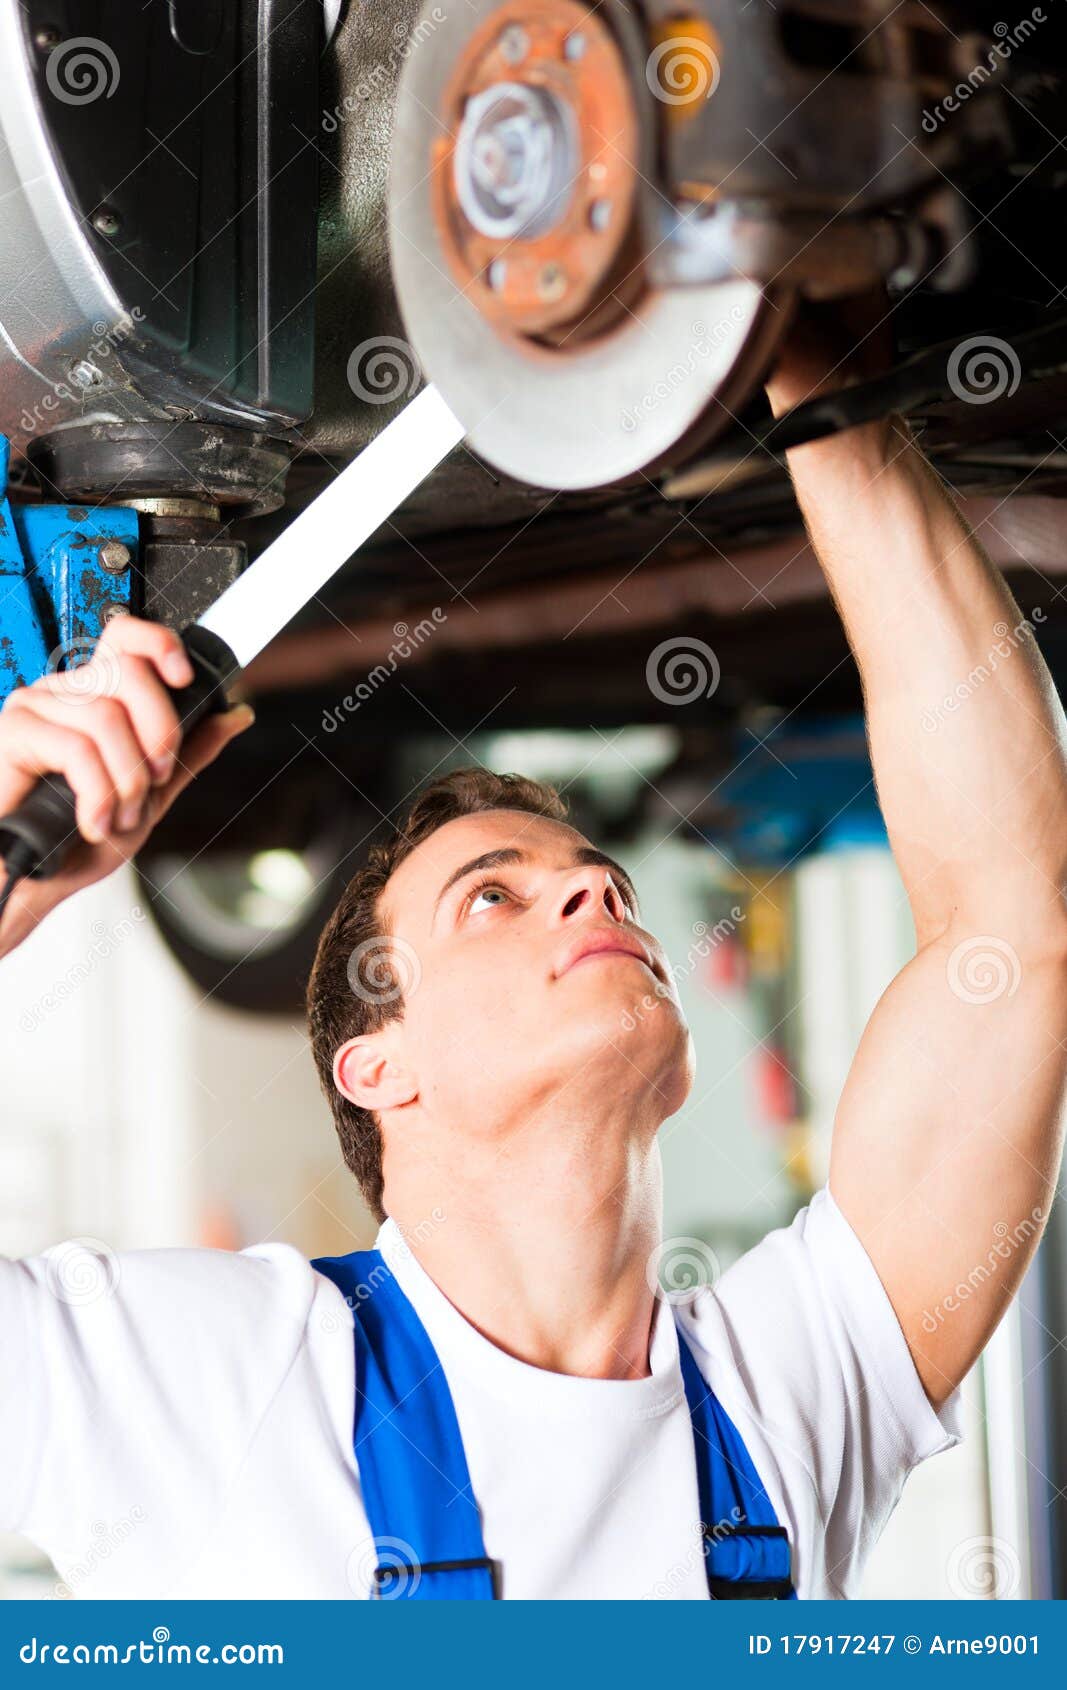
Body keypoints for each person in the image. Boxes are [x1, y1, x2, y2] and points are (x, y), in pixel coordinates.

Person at [0, 325, 1064, 1601]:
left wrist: (815, 365)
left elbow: (1008, 924)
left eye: (587, 875)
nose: (589, 882)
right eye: (492, 896)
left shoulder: (772, 1405)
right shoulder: (217, 1372)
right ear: (375, 1064)